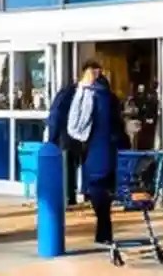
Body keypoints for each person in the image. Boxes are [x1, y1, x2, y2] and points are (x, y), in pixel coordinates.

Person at [47, 61, 127, 245]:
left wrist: (52, 140)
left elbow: (56, 116)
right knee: (100, 189)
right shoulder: (107, 96)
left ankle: (75, 204)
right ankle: (103, 230)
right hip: (101, 150)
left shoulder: (74, 93)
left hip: (81, 147)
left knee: (92, 186)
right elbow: (118, 126)